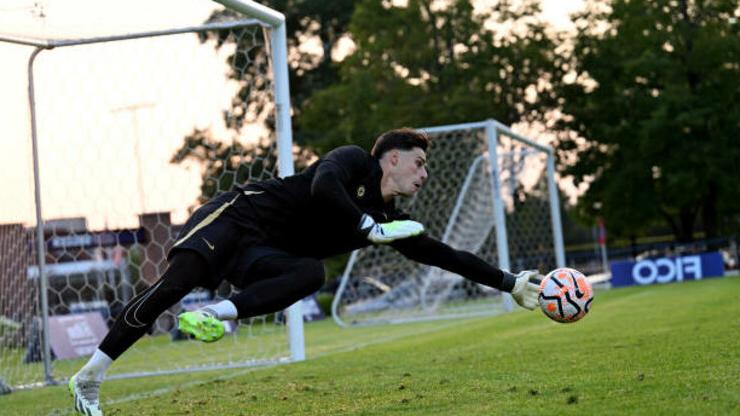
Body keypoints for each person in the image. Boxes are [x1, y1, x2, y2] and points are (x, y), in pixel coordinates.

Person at [69, 128, 542, 416]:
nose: (422, 174)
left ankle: (218, 314)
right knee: (174, 285)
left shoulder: (389, 223)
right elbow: (322, 186)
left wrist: (511, 282)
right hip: (237, 216)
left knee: (310, 274)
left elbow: (444, 254)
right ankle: (90, 376)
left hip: (263, 253)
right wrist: (364, 225)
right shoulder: (355, 161)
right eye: (418, 164)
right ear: (391, 158)